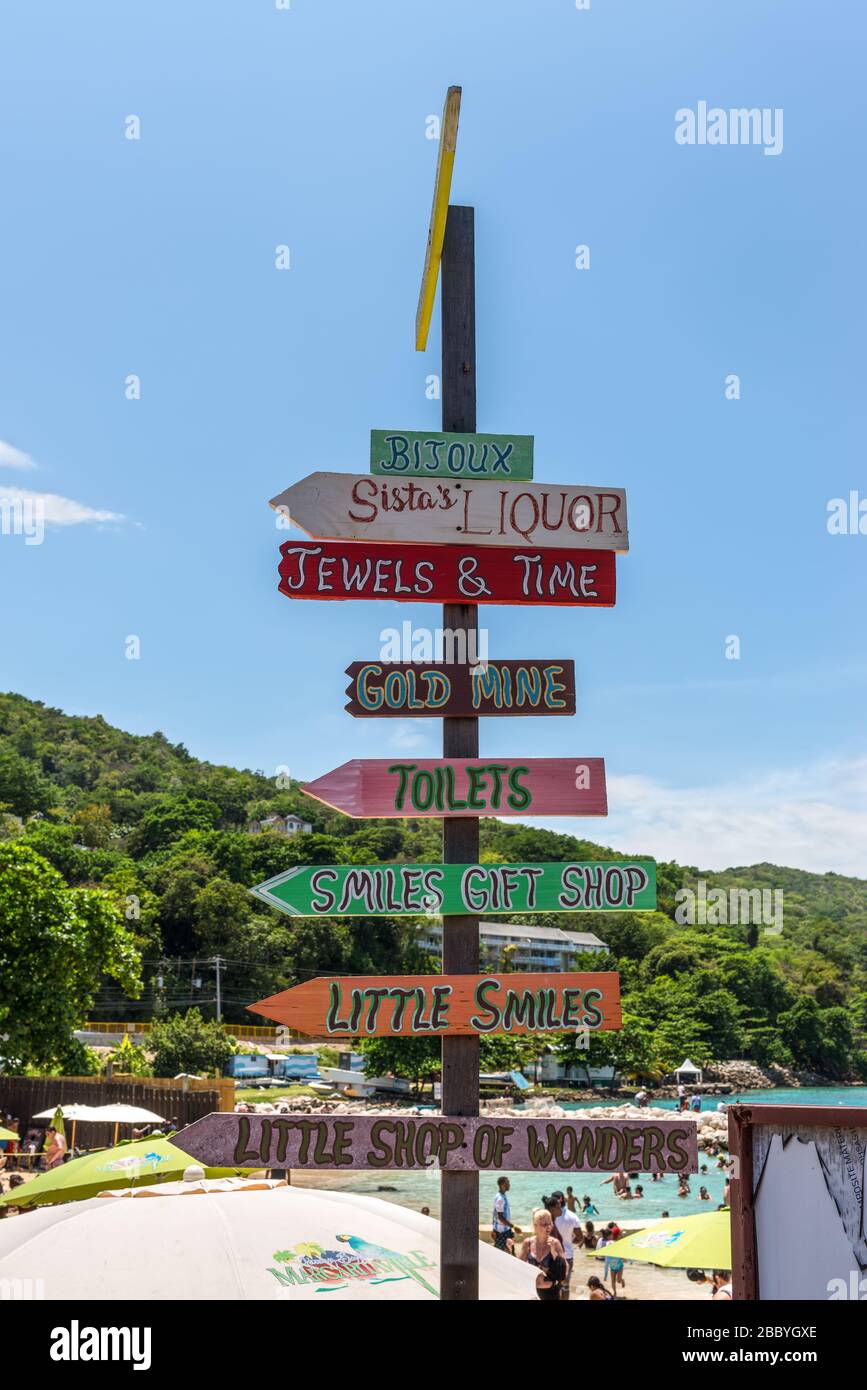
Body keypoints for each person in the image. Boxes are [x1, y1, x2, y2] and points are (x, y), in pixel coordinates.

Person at [518, 1208, 567, 1301]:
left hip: (551, 1294)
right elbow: (518, 1267)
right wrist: (510, 1250)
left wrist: (554, 1253)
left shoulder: (555, 1243)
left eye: (550, 1223)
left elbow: (565, 1270)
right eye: (544, 1224)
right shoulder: (527, 1243)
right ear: (535, 1226)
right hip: (531, 1293)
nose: (548, 1227)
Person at [545, 1191, 582, 1300]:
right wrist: (569, 1241)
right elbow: (580, 1239)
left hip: (552, 1257)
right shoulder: (572, 1216)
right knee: (565, 1286)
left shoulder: (547, 1219)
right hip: (566, 1256)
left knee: (554, 1286)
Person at [492, 1176, 514, 1253]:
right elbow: (500, 1217)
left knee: (509, 1249)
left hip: (504, 1229)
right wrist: (512, 1225)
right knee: (501, 1252)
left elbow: (494, 1213)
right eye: (507, 1183)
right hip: (502, 1232)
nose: (509, 1184)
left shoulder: (501, 1195)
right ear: (502, 1185)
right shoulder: (500, 1199)